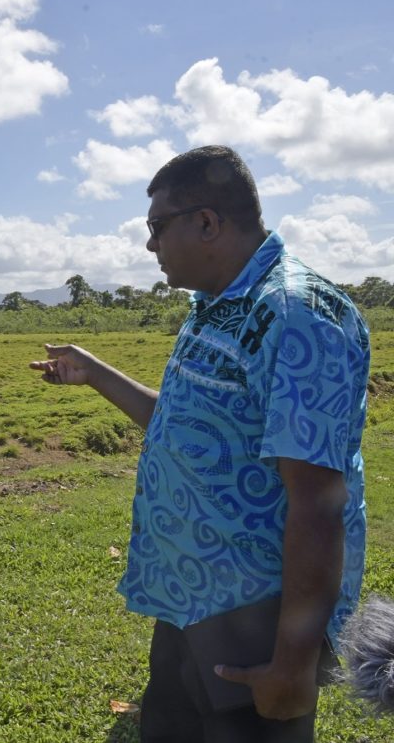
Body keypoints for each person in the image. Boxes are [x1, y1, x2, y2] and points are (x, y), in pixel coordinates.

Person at [30, 145, 369, 742]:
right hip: (190, 598)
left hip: (255, 615)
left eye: (157, 227)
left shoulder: (294, 314)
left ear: (207, 222)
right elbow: (187, 428)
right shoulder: (213, 307)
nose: (149, 245)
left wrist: (291, 664)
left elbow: (317, 499)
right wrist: (97, 373)